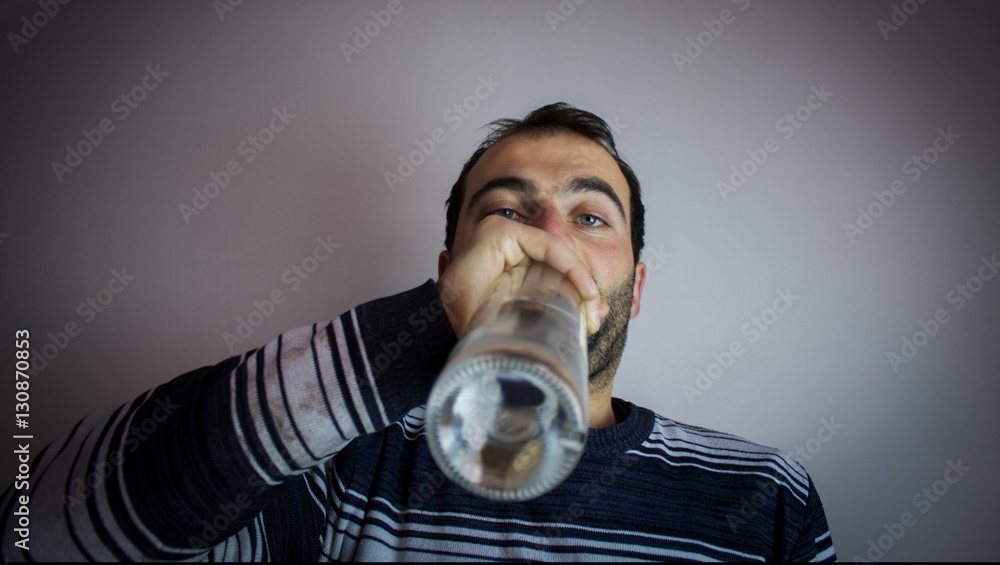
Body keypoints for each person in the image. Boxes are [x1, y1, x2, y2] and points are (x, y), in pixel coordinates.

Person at [1, 103, 836, 561]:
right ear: (448, 276)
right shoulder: (337, 468)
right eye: (508, 210)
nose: (547, 234)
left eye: (589, 214)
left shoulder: (763, 498)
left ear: (637, 285)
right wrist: (418, 336)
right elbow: (35, 530)